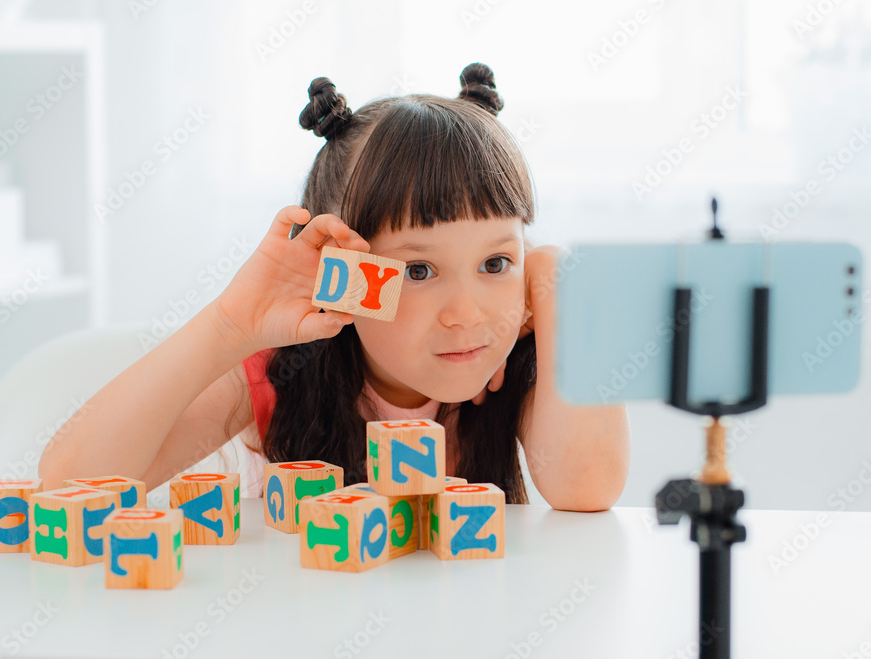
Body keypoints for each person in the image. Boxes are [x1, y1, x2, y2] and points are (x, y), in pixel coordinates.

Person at [38, 63, 630, 510]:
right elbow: (70, 490)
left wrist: (556, 277)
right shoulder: (280, 374)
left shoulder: (520, 358)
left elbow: (589, 486)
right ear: (340, 273)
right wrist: (229, 326)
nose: (466, 314)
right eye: (419, 271)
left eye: (497, 263)